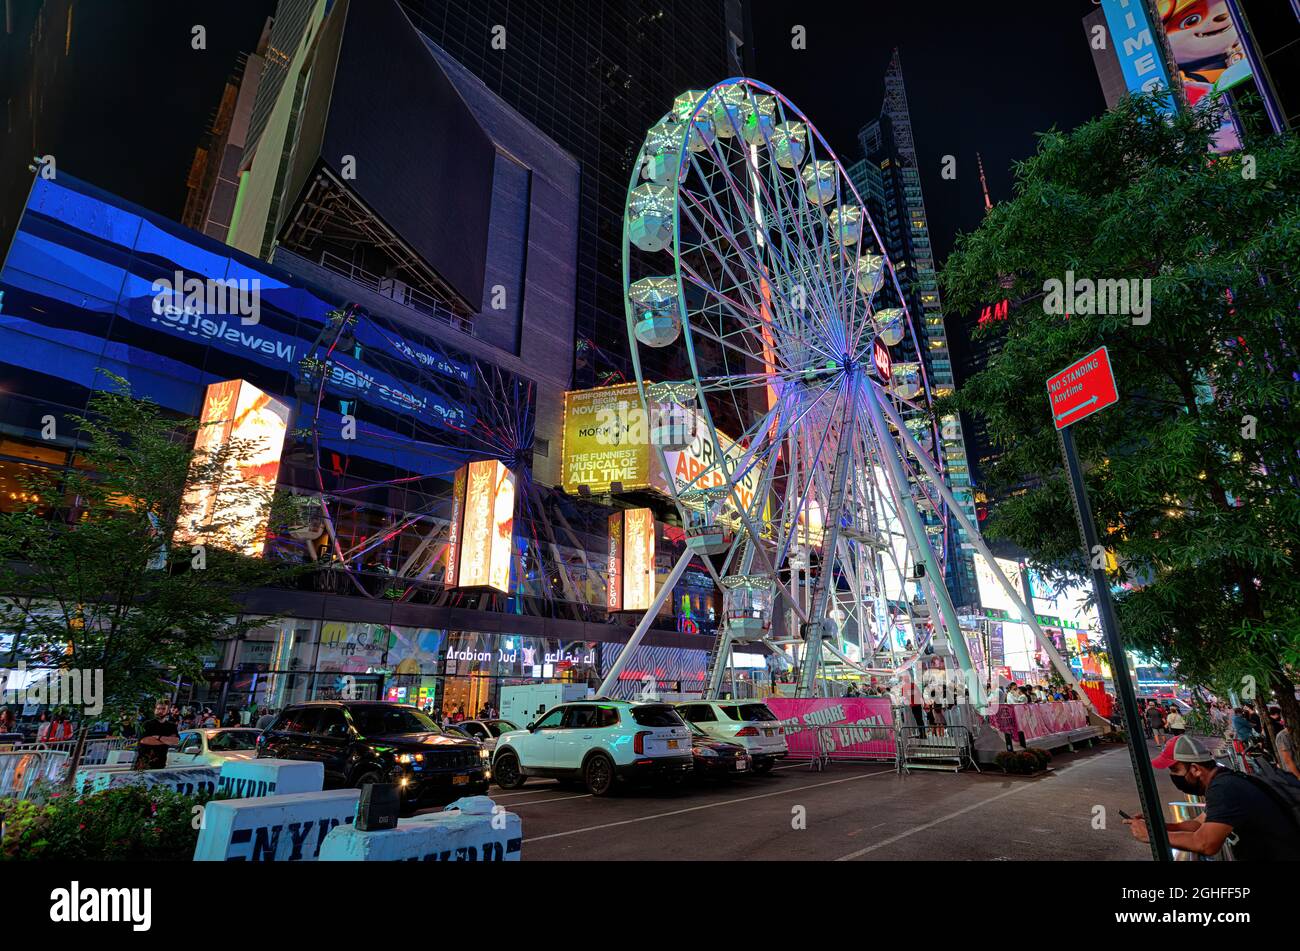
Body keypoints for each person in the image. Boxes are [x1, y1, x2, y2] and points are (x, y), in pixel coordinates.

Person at [1127, 735, 1300, 861]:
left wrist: (1152, 836)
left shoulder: (1223, 789)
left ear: (1195, 769)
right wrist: (1156, 826)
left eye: (1175, 770)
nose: (1173, 776)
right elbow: (1197, 824)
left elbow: (1206, 843)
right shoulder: (1224, 779)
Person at [133, 703, 179, 771]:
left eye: (163, 709)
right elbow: (144, 740)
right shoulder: (147, 724)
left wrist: (158, 737)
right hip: (143, 763)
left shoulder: (171, 726)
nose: (160, 711)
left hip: (160, 764)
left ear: (168, 710)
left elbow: (175, 741)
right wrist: (166, 740)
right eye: (158, 709)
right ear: (154, 710)